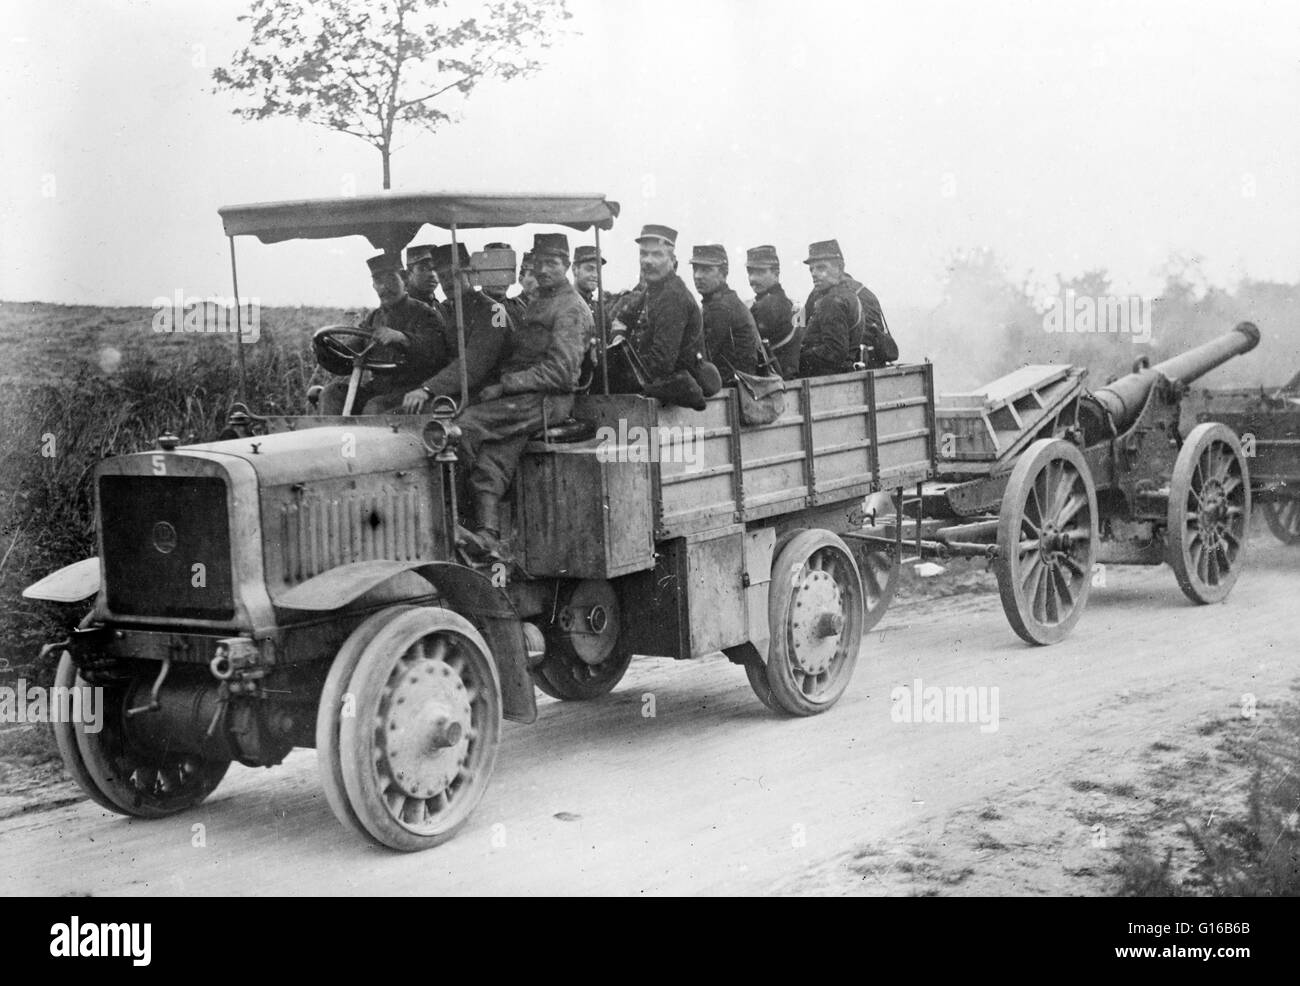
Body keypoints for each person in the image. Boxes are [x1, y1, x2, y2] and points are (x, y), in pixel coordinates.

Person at [454, 233, 591, 560]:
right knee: (494, 458)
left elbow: (562, 374)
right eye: (539, 262)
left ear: (567, 266)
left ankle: (452, 516)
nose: (543, 270)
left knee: (464, 428)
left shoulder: (570, 307)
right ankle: (488, 536)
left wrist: (505, 386)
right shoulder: (540, 300)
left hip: (547, 399)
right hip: (527, 397)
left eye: (552, 263)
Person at [319, 253, 446, 415]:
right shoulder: (374, 318)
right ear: (373, 286)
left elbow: (436, 353)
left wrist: (403, 338)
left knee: (375, 407)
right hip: (379, 389)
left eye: (391, 279)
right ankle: (331, 439)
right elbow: (347, 355)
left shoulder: (425, 313)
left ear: (405, 280)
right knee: (331, 393)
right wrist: (324, 349)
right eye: (379, 281)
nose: (385, 287)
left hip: (412, 390)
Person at [400, 243, 512, 413]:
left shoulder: (494, 311)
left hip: (488, 392)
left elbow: (476, 363)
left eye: (455, 275)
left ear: (470, 274)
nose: (447, 282)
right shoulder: (451, 310)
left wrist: (428, 389)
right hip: (460, 388)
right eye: (442, 276)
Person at [608, 224, 705, 393]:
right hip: (653, 389)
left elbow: (660, 364)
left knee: (618, 415)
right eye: (643, 254)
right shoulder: (652, 290)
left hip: (672, 397)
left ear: (672, 260)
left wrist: (618, 367)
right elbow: (621, 319)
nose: (648, 261)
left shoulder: (673, 296)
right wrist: (619, 339)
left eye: (657, 254)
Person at [798, 239, 897, 376]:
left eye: (821, 267)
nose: (814, 273)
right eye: (812, 269)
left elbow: (833, 350)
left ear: (839, 268)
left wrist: (798, 355)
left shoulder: (829, 299)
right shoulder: (859, 293)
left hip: (832, 373)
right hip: (865, 368)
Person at [690, 243, 764, 385]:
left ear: (723, 273)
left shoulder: (720, 308)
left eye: (706, 270)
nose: (698, 276)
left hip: (735, 390)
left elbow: (703, 358)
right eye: (695, 269)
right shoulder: (725, 301)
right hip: (738, 386)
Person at [746, 244, 801, 378]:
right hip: (787, 378)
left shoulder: (768, 306)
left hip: (773, 382)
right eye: (750, 272)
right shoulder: (789, 303)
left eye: (760, 272)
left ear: (776, 274)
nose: (753, 278)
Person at [572, 244, 605, 314]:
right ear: (575, 269)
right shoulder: (564, 303)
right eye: (589, 269)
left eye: (598, 270)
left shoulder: (599, 309)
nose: (595, 275)